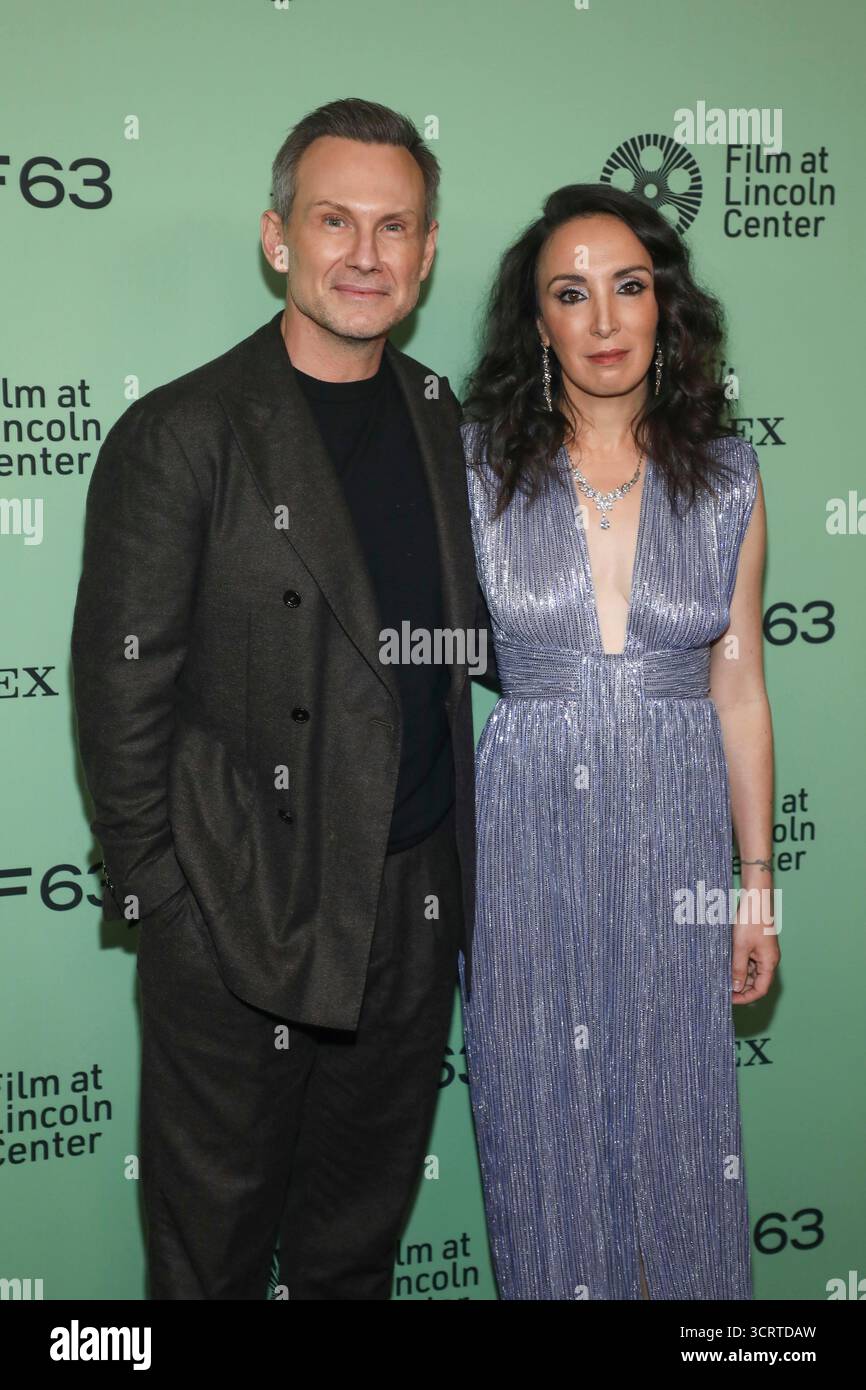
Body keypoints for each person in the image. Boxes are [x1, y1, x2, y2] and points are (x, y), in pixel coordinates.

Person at [70, 97, 492, 1300]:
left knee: (351, 1257)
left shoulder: (436, 415)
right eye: (334, 220)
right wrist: (170, 898)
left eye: (393, 227)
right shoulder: (184, 431)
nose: (364, 253)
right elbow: (121, 687)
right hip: (241, 913)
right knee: (206, 1266)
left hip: (408, 909)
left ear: (421, 256)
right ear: (277, 238)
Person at [458, 183, 779, 1300]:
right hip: (523, 831)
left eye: (627, 286)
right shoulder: (473, 470)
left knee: (682, 1123)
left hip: (672, 829)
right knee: (536, 1112)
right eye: (569, 293)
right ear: (536, 324)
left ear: (663, 309)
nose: (602, 319)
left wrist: (754, 883)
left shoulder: (728, 476)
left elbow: (736, 687)